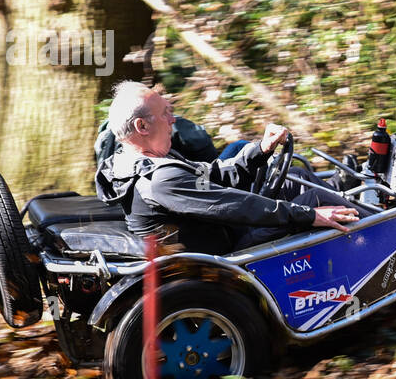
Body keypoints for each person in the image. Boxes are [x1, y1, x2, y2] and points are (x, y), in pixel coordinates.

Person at [95, 81, 359, 254]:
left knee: (294, 178)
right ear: (142, 127)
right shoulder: (160, 180)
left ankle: (359, 204)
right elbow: (235, 205)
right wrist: (308, 214)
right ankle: (386, 235)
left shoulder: (137, 159)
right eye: (165, 113)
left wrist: (259, 151)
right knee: (313, 201)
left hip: (221, 232)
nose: (172, 119)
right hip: (225, 254)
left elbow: (212, 176)